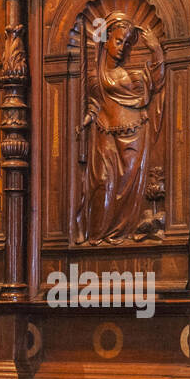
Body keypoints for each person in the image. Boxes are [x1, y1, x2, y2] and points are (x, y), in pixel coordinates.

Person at [75, 13, 165, 244]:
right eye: (118, 41)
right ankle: (96, 236)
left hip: (134, 133)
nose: (123, 48)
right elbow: (95, 100)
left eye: (127, 43)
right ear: (107, 40)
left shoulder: (131, 74)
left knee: (126, 189)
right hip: (104, 131)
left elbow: (156, 82)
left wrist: (156, 50)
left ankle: (119, 235)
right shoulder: (97, 70)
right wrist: (88, 117)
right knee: (103, 182)